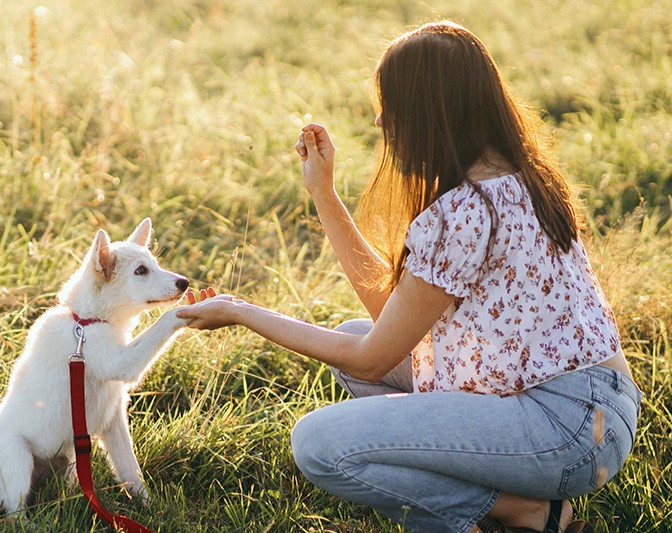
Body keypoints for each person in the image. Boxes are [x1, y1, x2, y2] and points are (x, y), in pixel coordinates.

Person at [176, 21, 641, 533]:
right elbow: (387, 324)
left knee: (319, 445)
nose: (380, 119)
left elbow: (373, 360)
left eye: (390, 105)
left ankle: (528, 512)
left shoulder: (466, 210)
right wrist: (324, 195)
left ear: (426, 112)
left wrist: (241, 312)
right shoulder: (519, 178)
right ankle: (501, 506)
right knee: (350, 335)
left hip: (566, 430)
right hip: (596, 412)